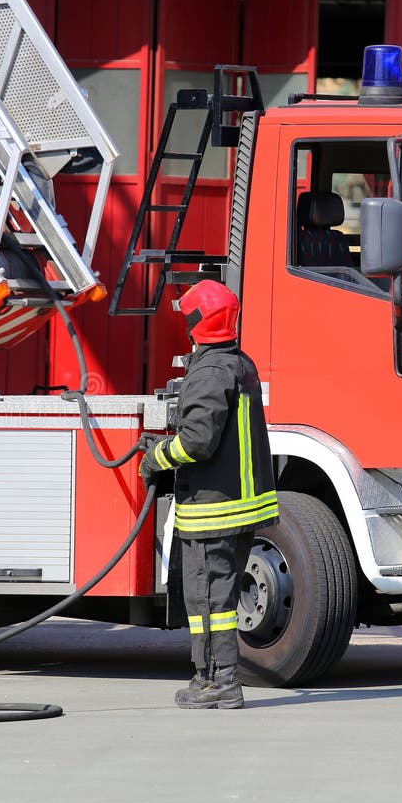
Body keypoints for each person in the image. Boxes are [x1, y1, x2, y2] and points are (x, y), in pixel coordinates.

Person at [140, 279, 279, 709]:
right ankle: (214, 679)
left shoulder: (210, 371)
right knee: (220, 596)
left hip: (212, 512)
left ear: (198, 322)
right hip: (239, 508)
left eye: (187, 316)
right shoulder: (240, 364)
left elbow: (197, 441)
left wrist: (156, 457)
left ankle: (219, 681)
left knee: (208, 599)